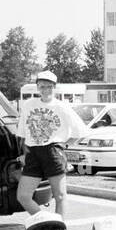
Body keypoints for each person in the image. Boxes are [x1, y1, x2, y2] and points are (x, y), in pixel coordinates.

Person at [15, 70, 87, 218]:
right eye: (42, 86)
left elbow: (80, 131)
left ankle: (60, 228)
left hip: (53, 152)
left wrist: (63, 146)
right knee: (23, 196)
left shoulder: (62, 106)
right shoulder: (28, 105)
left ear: (55, 88)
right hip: (33, 153)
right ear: (37, 88)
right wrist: (23, 153)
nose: (46, 90)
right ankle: (47, 221)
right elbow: (22, 133)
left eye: (49, 87)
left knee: (60, 196)